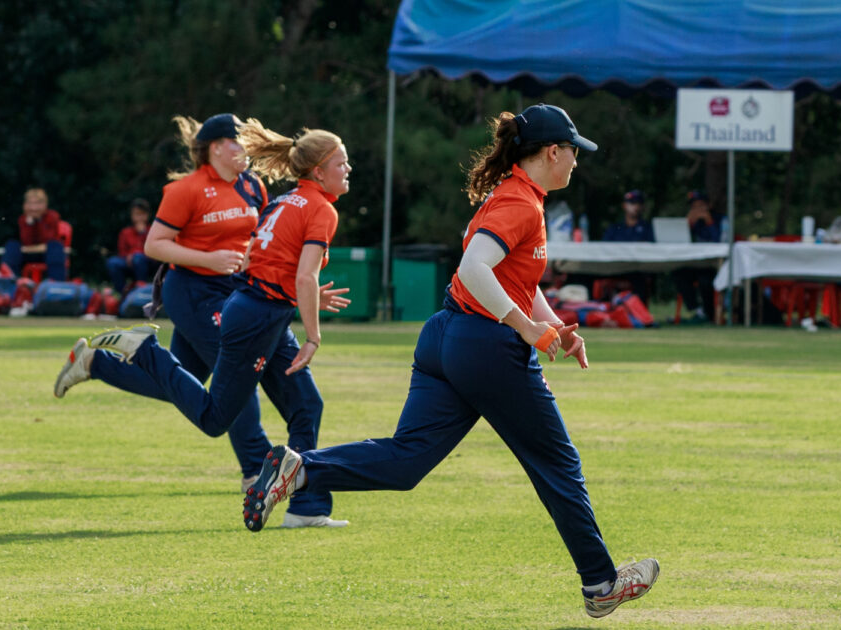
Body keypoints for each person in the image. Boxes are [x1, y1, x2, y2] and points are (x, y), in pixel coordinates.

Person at [209, 104, 656, 617]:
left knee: (407, 460)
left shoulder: (513, 195)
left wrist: (550, 326)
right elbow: (474, 268)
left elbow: (511, 280)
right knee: (558, 464)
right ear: (552, 152)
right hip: (484, 346)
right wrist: (525, 328)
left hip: (446, 336)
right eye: (574, 152)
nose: (577, 162)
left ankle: (301, 469)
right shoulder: (522, 205)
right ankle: (602, 585)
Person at [73, 121, 354, 529]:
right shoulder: (320, 209)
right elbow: (303, 275)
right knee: (214, 418)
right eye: (342, 163)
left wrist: (302, 296)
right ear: (318, 172)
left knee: (306, 405)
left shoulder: (281, 198)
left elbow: (275, 268)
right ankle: (146, 351)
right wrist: (313, 334)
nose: (348, 170)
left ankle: (307, 508)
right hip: (249, 312)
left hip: (259, 308)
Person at [672, 190, 724, 322]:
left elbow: (721, 242)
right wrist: (688, 224)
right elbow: (678, 242)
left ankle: (710, 314)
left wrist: (709, 221)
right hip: (693, 264)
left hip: (714, 265)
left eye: (701, 205)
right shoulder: (691, 222)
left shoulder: (720, 220)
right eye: (694, 206)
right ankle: (696, 310)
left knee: (705, 281)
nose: (697, 209)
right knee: (679, 274)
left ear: (708, 205)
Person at [1, 187, 68, 281]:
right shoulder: (23, 220)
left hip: (47, 255)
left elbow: (49, 239)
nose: (34, 208)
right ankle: (9, 281)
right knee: (12, 245)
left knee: (55, 246)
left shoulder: (52, 217)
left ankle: (56, 283)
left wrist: (39, 222)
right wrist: (30, 225)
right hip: (28, 255)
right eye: (30, 203)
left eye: (37, 203)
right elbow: (26, 241)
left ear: (45, 204)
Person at [105, 198, 160, 295]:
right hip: (129, 262)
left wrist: (143, 233)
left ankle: (141, 289)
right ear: (132, 215)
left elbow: (154, 250)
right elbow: (122, 252)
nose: (139, 217)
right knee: (112, 262)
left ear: (147, 215)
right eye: (136, 214)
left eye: (142, 214)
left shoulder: (152, 230)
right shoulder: (125, 232)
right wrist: (129, 256)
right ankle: (122, 292)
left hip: (147, 262)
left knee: (138, 258)